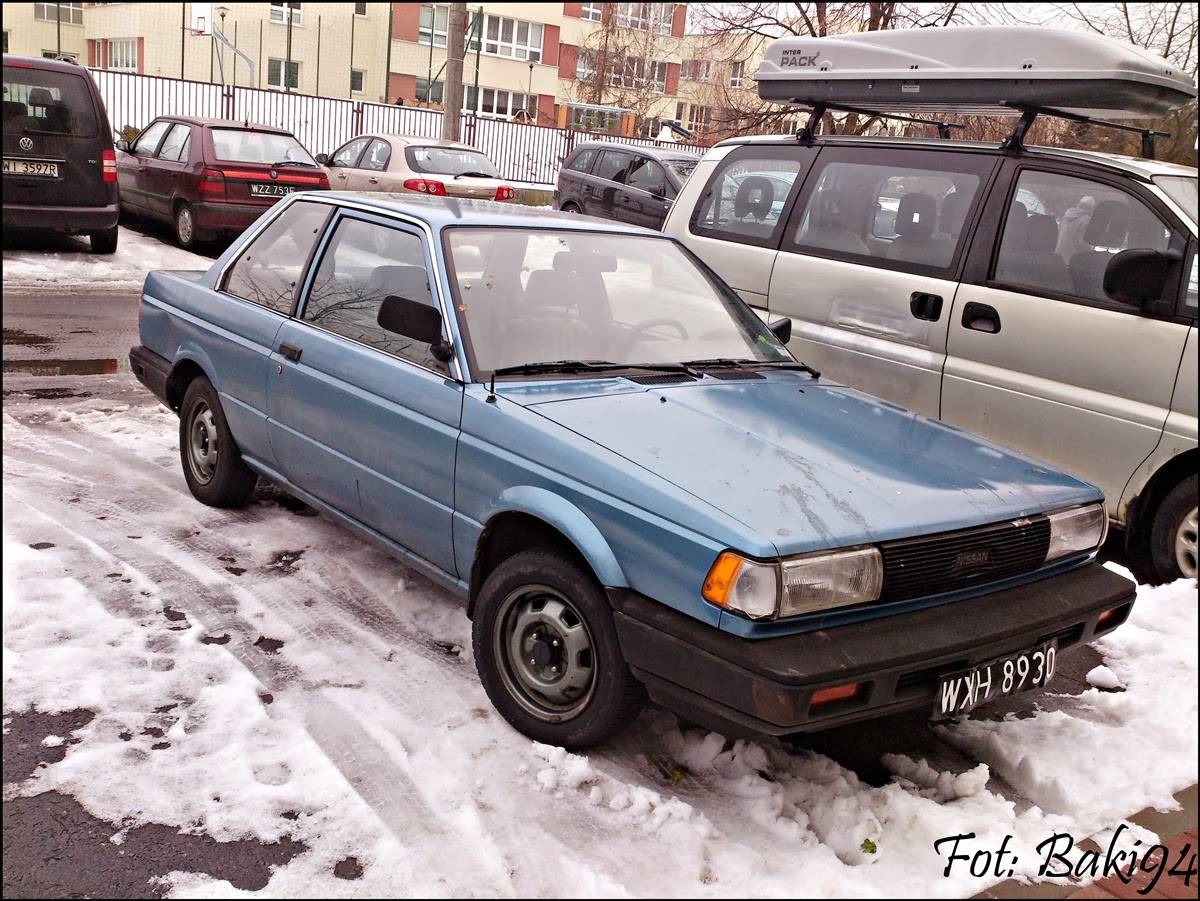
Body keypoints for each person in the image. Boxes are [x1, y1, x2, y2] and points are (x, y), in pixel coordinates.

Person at [1056, 195, 1095, 261]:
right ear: (1090, 208)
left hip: (1058, 255)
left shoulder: (1064, 217)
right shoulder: (1086, 221)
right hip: (1074, 260)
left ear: (1079, 204)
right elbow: (1084, 244)